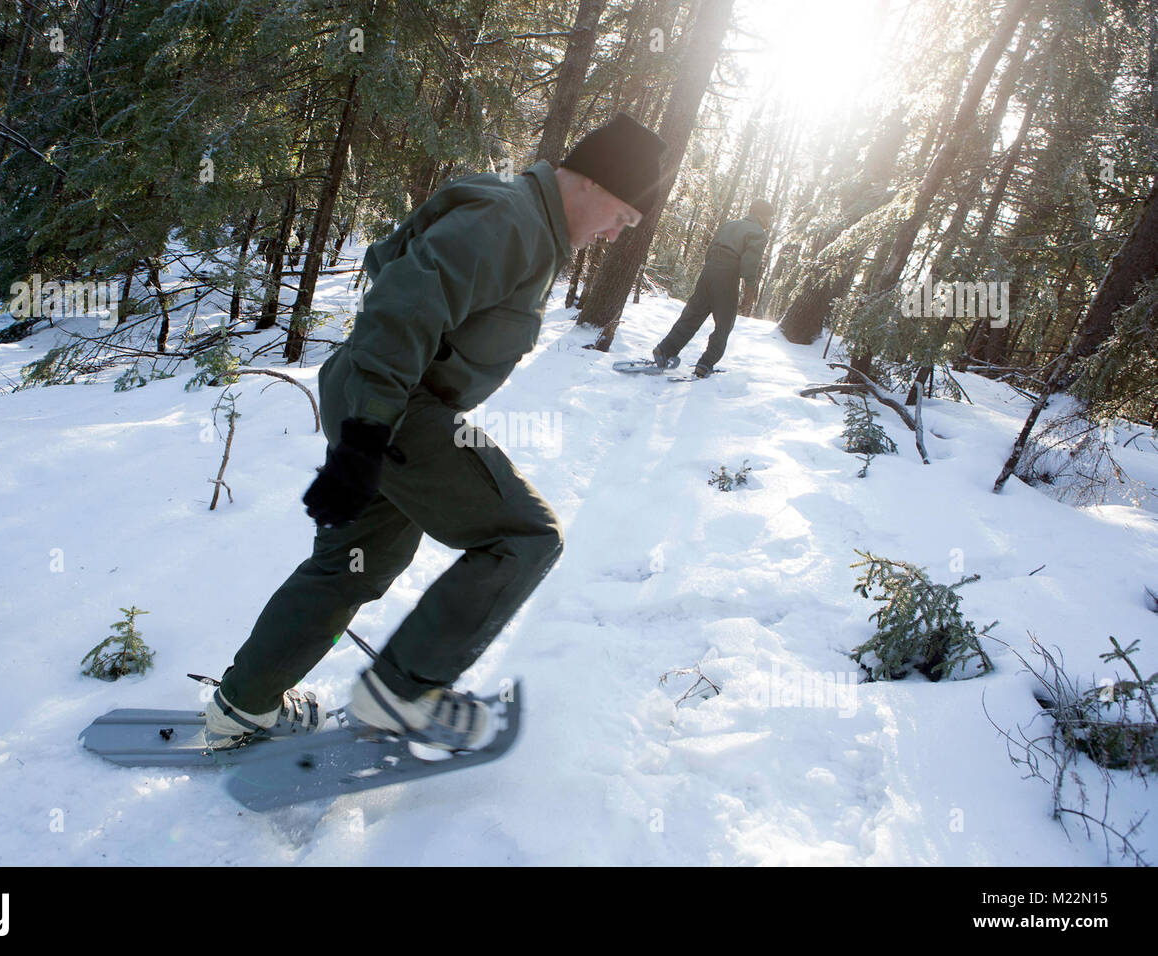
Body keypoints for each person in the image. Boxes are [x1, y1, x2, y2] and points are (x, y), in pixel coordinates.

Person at [203, 112, 668, 750]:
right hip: (395, 408)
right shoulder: (510, 223)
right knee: (526, 534)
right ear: (590, 182)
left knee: (354, 563)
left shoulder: (529, 227)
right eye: (623, 215)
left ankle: (243, 705)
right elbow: (400, 314)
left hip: (384, 401)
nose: (617, 233)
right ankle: (399, 697)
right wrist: (366, 440)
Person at [652, 198, 773, 377]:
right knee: (724, 323)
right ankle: (705, 364)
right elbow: (749, 262)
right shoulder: (758, 233)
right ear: (761, 215)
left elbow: (710, 249)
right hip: (727, 275)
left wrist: (712, 269)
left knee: (692, 315)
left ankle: (665, 350)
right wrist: (749, 289)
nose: (770, 222)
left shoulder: (730, 225)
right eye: (769, 217)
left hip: (708, 271)